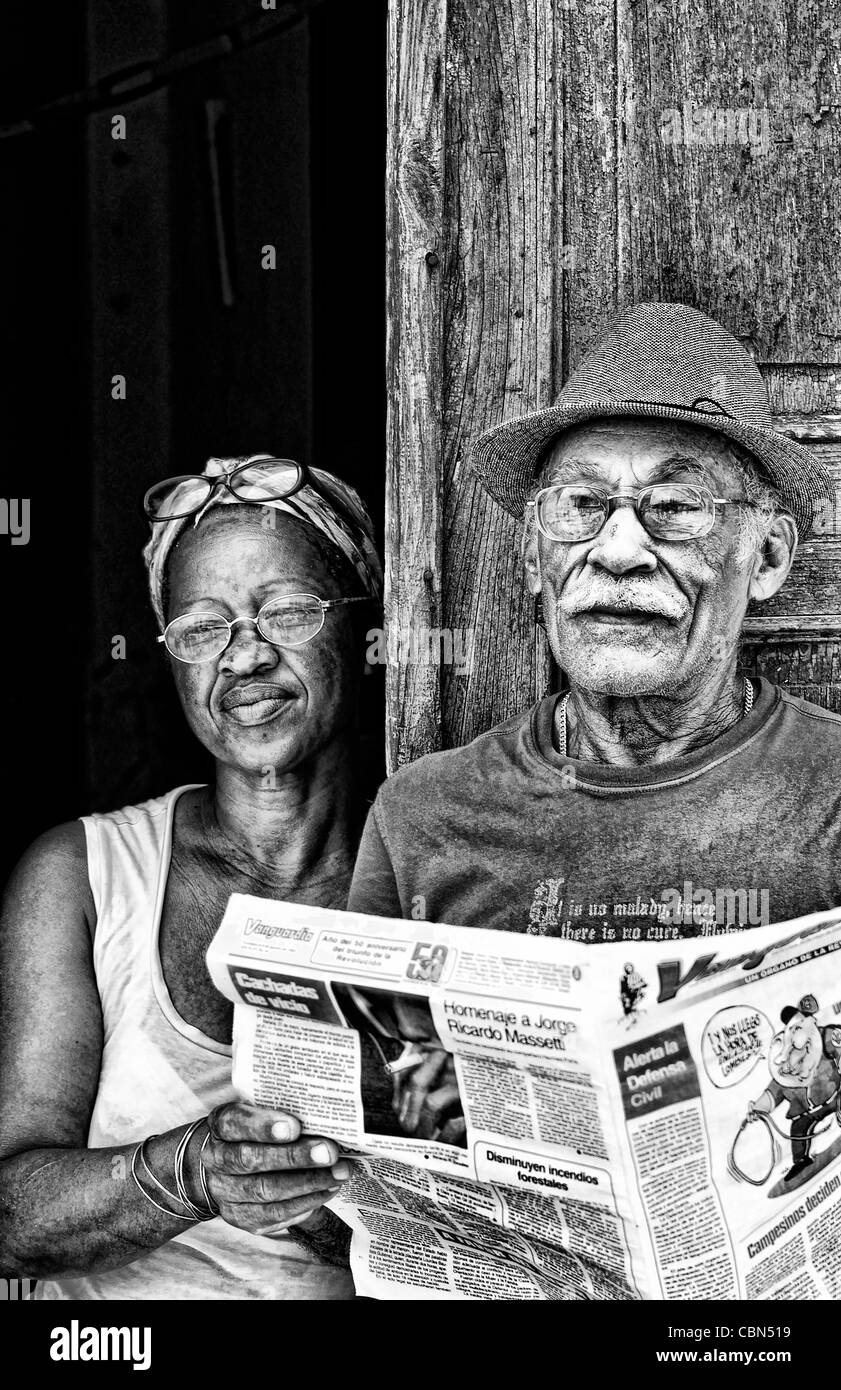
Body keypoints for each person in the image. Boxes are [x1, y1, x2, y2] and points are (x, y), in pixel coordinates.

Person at [0, 454, 382, 1300]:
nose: (243, 658)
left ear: (364, 630)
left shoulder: (428, 867)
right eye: (202, 630)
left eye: (285, 612)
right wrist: (195, 1169)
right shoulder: (83, 876)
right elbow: (10, 1217)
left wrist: (348, 1215)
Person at [348, 301, 841, 944]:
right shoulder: (422, 816)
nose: (617, 551)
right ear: (532, 555)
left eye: (673, 505)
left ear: (768, 557)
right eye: (580, 504)